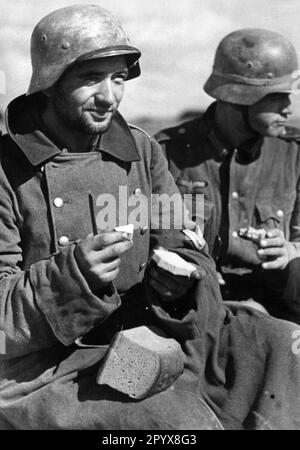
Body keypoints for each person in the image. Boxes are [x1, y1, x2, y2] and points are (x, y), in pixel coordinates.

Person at [0, 8, 300, 430]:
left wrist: (179, 282)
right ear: (49, 83)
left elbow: (183, 242)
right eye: (91, 79)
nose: (110, 96)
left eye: (118, 78)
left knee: (284, 348)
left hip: (147, 336)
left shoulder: (140, 151)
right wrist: (72, 275)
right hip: (45, 367)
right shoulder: (6, 169)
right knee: (176, 424)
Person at [155, 28, 300, 323]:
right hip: (191, 315)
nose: (289, 107)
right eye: (277, 97)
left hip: (274, 313)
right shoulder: (166, 153)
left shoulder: (294, 155)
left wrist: (289, 253)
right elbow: (145, 243)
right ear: (241, 96)